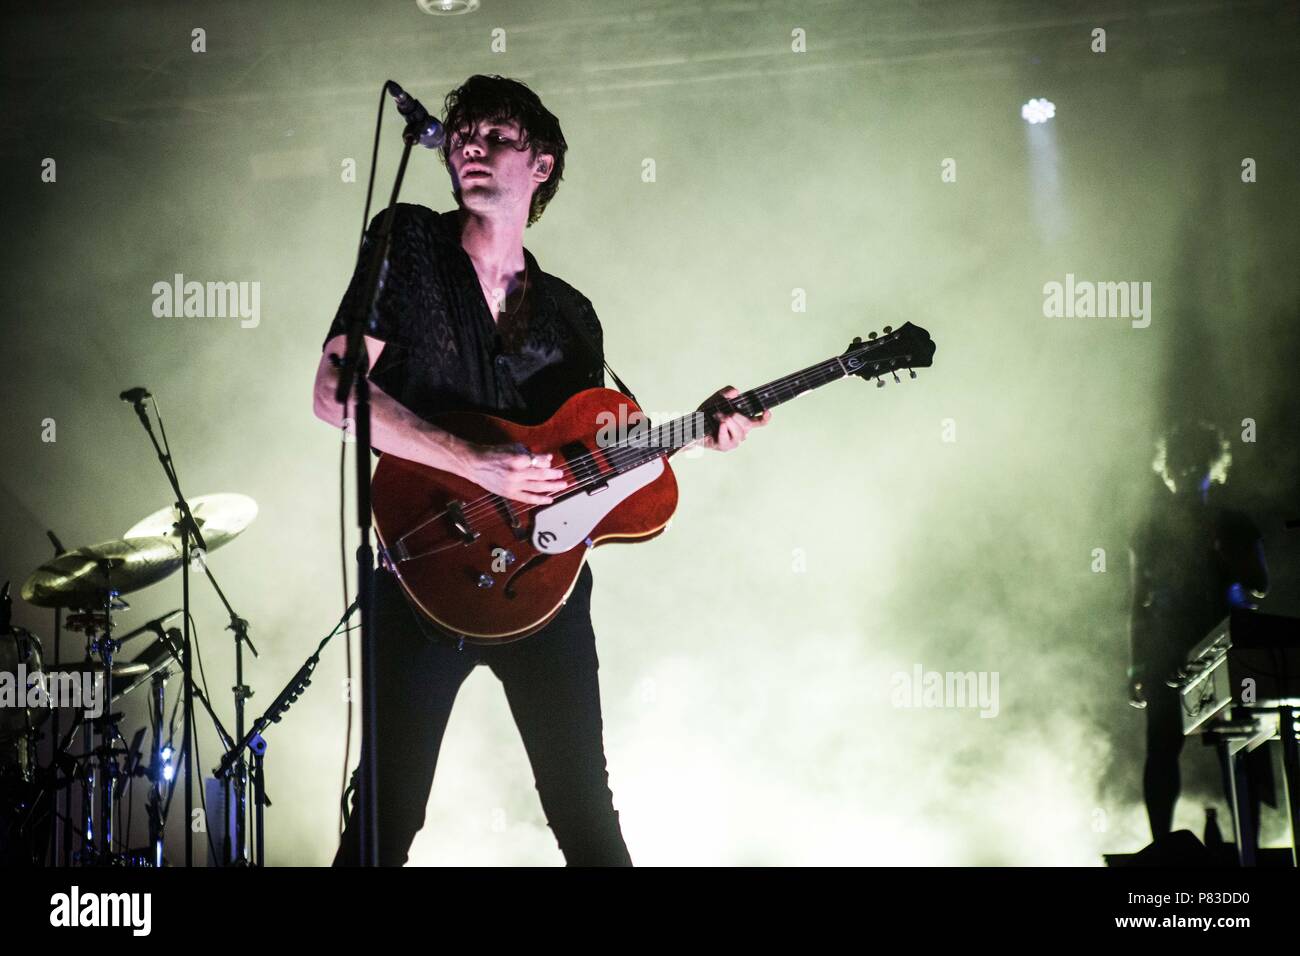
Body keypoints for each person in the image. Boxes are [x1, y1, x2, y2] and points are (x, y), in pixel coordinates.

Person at [312, 74, 769, 866]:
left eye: (496, 135)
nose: (470, 146)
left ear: (544, 165)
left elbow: (588, 462)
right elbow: (334, 394)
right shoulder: (409, 243)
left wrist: (696, 431)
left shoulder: (570, 313)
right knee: (385, 819)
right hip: (420, 572)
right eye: (462, 135)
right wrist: (470, 459)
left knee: (585, 812)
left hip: (544, 587)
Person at [1127, 420, 1271, 847]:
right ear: (1167, 470)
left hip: (1228, 642)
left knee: (1245, 742)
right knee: (1162, 748)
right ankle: (1161, 846)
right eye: (1180, 464)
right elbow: (1138, 602)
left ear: (1214, 466)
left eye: (1197, 463)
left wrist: (1227, 554)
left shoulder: (1234, 522)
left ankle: (1250, 847)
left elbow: (1260, 584)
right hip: (1168, 646)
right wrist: (1136, 664)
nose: (1189, 471)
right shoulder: (1149, 528)